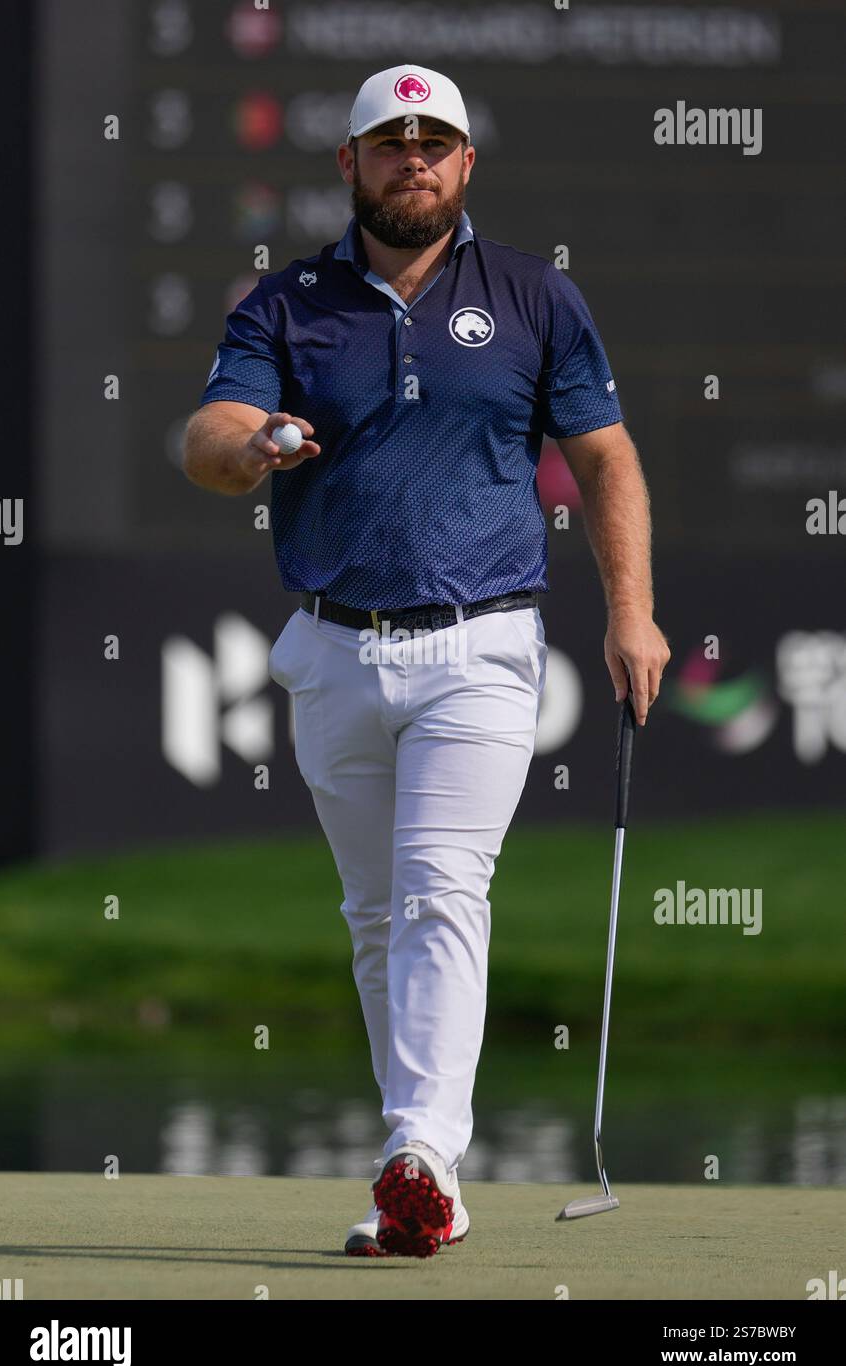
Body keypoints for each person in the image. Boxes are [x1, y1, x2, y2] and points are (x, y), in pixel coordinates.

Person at [183, 64, 670, 1258]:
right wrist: (254, 447)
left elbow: (603, 458)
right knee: (373, 917)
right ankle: (419, 1155)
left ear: (465, 165)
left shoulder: (532, 295)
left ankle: (419, 1161)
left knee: (439, 894)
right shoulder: (286, 302)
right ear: (347, 163)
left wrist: (632, 613)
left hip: (482, 647)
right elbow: (206, 437)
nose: (414, 160)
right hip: (334, 649)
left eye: (434, 143)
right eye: (390, 143)